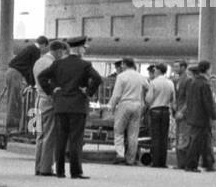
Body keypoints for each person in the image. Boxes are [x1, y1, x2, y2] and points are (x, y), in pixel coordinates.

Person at [38, 37, 102, 178]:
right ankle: (75, 171)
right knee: (76, 139)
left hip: (60, 106)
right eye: (84, 48)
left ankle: (60, 171)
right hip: (78, 106)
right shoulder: (85, 64)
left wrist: (52, 90)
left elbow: (42, 77)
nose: (84, 50)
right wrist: (88, 91)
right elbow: (98, 79)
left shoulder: (58, 64)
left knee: (61, 138)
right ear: (79, 49)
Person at [32, 40, 67, 176]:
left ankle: (38, 166)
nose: (63, 55)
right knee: (49, 136)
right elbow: (51, 82)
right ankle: (46, 168)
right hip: (49, 102)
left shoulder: (39, 61)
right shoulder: (52, 63)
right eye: (62, 53)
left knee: (40, 136)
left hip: (38, 101)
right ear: (58, 51)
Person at [178, 59, 216, 172]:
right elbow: (208, 103)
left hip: (194, 116)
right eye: (210, 68)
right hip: (201, 118)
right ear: (206, 69)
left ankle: (208, 163)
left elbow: (189, 100)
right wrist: (214, 117)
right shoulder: (204, 84)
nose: (211, 71)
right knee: (196, 142)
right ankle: (191, 165)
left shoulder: (193, 82)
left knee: (204, 140)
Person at [110, 58, 148, 165]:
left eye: (122, 64)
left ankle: (120, 154)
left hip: (125, 104)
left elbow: (116, 94)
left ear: (125, 64)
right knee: (133, 133)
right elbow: (148, 88)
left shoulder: (121, 76)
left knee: (119, 130)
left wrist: (112, 107)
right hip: (137, 105)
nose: (121, 66)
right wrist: (144, 102)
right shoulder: (141, 76)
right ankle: (131, 159)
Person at [145, 63, 175, 168]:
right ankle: (163, 162)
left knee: (155, 137)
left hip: (155, 110)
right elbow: (172, 98)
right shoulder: (170, 83)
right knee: (164, 137)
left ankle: (156, 161)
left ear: (158, 70)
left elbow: (148, 99)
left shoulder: (153, 83)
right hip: (166, 111)